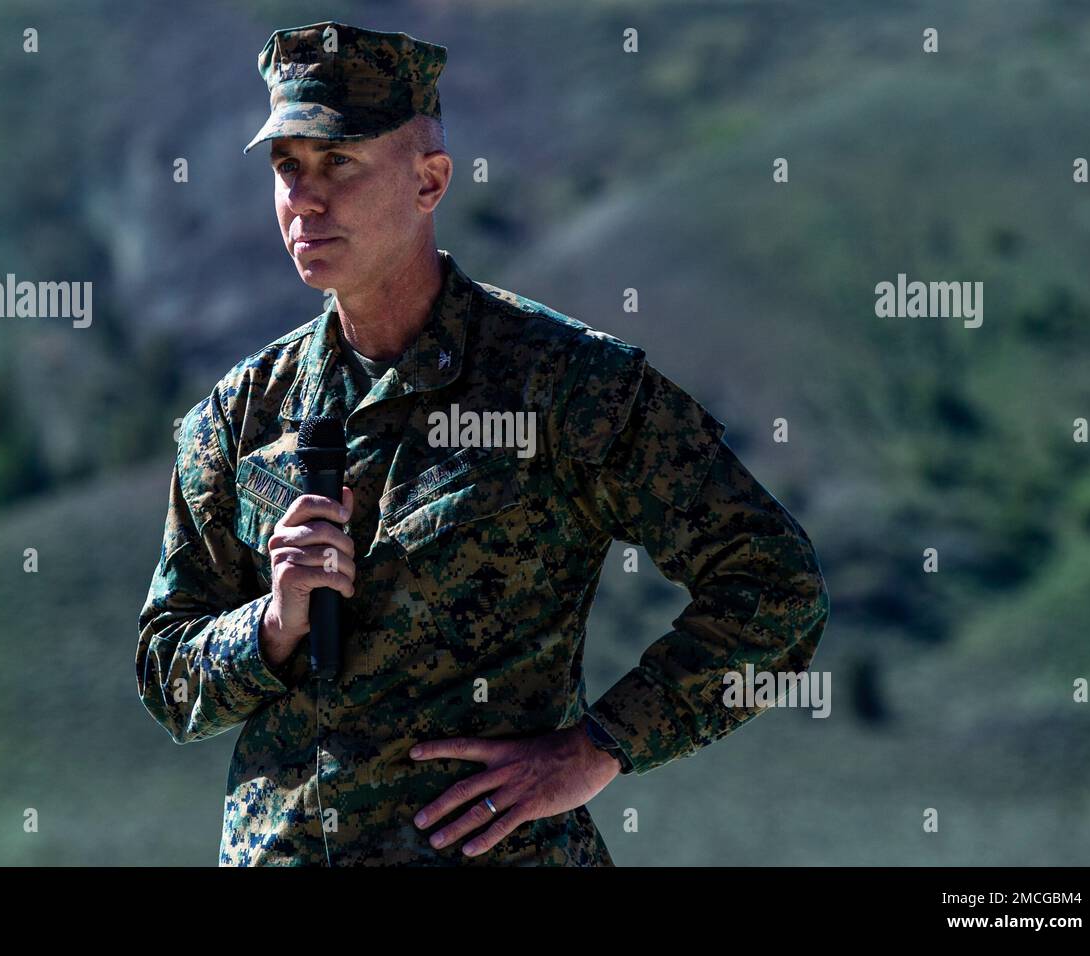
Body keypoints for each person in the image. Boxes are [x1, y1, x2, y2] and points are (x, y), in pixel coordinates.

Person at [136, 19, 830, 866]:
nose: (306, 199)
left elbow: (775, 585)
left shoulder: (566, 384)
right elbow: (168, 675)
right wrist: (273, 624)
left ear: (429, 182)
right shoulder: (241, 414)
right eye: (288, 168)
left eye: (340, 163)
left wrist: (599, 749)